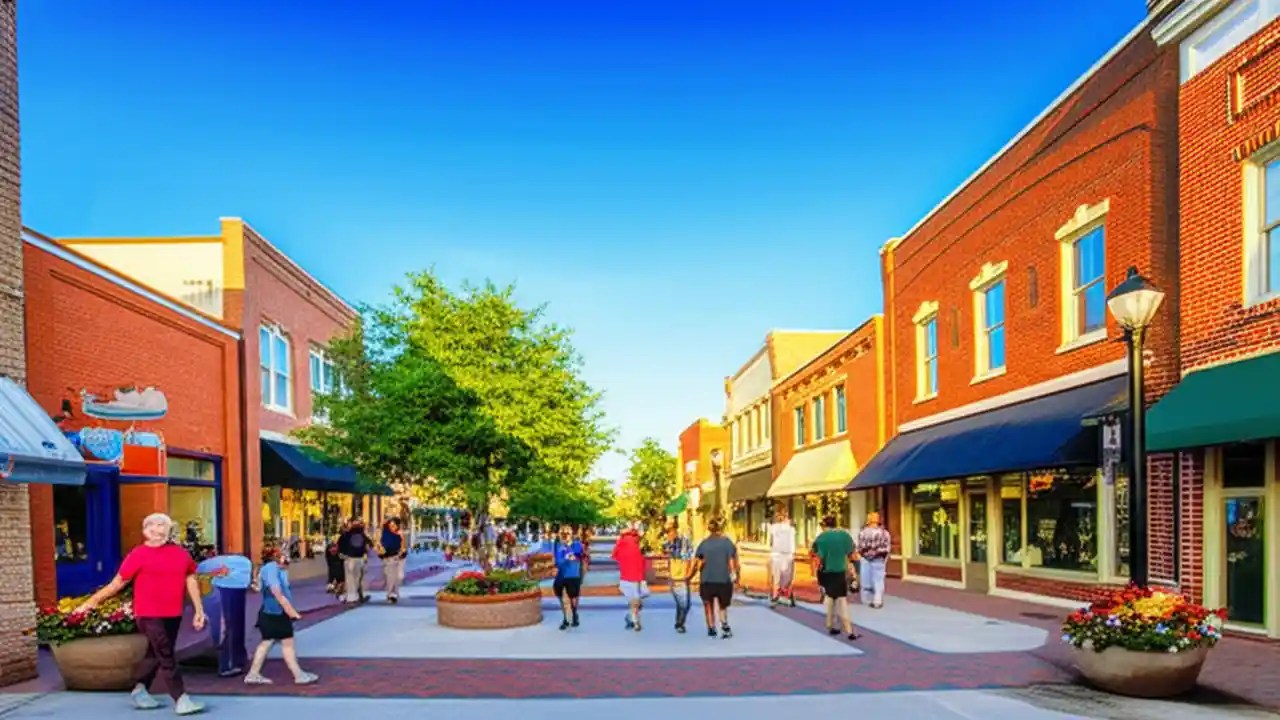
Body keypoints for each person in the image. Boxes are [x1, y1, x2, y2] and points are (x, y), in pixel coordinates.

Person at [75, 513, 208, 715]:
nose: (158, 530)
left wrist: (199, 610)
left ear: (169, 530)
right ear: (145, 531)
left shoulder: (180, 554)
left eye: (162, 525)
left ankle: (140, 689)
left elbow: (190, 578)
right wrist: (91, 602)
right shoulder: (138, 554)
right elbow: (118, 583)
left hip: (173, 612)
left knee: (155, 653)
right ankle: (181, 698)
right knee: (166, 654)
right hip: (148, 613)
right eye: (152, 526)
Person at [243, 546, 320, 686]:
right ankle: (298, 675)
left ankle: (253, 673)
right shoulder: (271, 568)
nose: (287, 557)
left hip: (271, 612)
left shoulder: (272, 569)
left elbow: (260, 587)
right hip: (276, 612)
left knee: (268, 642)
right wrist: (290, 610)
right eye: (284, 555)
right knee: (286, 643)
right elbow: (276, 591)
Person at [687, 516, 739, 639]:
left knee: (708, 604)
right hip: (723, 580)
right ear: (720, 528)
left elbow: (697, 563)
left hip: (707, 579)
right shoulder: (727, 543)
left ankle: (711, 628)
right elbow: (732, 561)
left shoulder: (703, 544)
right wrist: (734, 575)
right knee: (722, 606)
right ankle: (724, 625)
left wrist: (689, 576)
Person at [811, 515, 860, 640]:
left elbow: (816, 556)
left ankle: (830, 625)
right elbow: (852, 555)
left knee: (829, 598)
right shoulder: (844, 536)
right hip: (839, 572)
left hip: (826, 572)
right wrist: (854, 574)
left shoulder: (821, 538)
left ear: (823, 525)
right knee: (841, 600)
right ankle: (849, 631)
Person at [612, 523, 649, 631]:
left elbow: (615, 555)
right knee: (635, 602)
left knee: (635, 602)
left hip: (632, 578)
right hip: (631, 578)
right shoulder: (629, 544)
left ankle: (632, 618)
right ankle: (634, 620)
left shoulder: (624, 544)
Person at [856, 511, 892, 609]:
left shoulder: (863, 533)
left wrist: (864, 554)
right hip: (879, 558)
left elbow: (860, 547)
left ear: (868, 520)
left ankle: (866, 599)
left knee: (866, 579)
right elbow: (887, 548)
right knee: (878, 580)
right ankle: (878, 600)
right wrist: (884, 558)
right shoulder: (885, 533)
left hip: (866, 558)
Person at [552, 525, 585, 630]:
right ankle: (566, 618)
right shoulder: (557, 545)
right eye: (562, 534)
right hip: (561, 574)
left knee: (573, 597)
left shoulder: (577, 545)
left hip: (573, 574)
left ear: (571, 535)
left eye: (567, 534)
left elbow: (581, 556)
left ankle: (574, 613)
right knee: (562, 597)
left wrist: (573, 556)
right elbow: (556, 559)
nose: (565, 536)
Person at [662, 524, 693, 633]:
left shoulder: (683, 543)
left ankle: (679, 623)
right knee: (681, 603)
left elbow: (689, 558)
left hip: (682, 577)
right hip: (674, 578)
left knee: (685, 604)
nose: (670, 535)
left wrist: (688, 574)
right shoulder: (668, 544)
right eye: (668, 533)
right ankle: (679, 624)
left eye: (671, 532)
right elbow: (665, 551)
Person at [766, 508, 797, 608]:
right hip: (787, 554)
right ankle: (786, 595)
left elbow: (770, 541)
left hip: (777, 554)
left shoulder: (773, 527)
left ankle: (776, 595)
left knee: (776, 577)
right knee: (787, 577)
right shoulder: (791, 528)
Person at [338, 517, 371, 605]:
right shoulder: (347, 535)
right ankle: (351, 597)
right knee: (352, 579)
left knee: (355, 579)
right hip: (351, 559)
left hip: (357, 559)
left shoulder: (356, 534)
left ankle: (352, 596)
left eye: (358, 523)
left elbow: (368, 544)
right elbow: (340, 546)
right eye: (354, 523)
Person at [379, 518, 407, 604]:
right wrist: (382, 554)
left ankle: (394, 592)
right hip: (388, 558)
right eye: (390, 526)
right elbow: (380, 546)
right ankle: (391, 594)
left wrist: (402, 553)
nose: (392, 527)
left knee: (399, 576)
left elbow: (403, 547)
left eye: (394, 525)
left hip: (399, 558)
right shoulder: (385, 534)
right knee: (390, 577)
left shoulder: (400, 534)